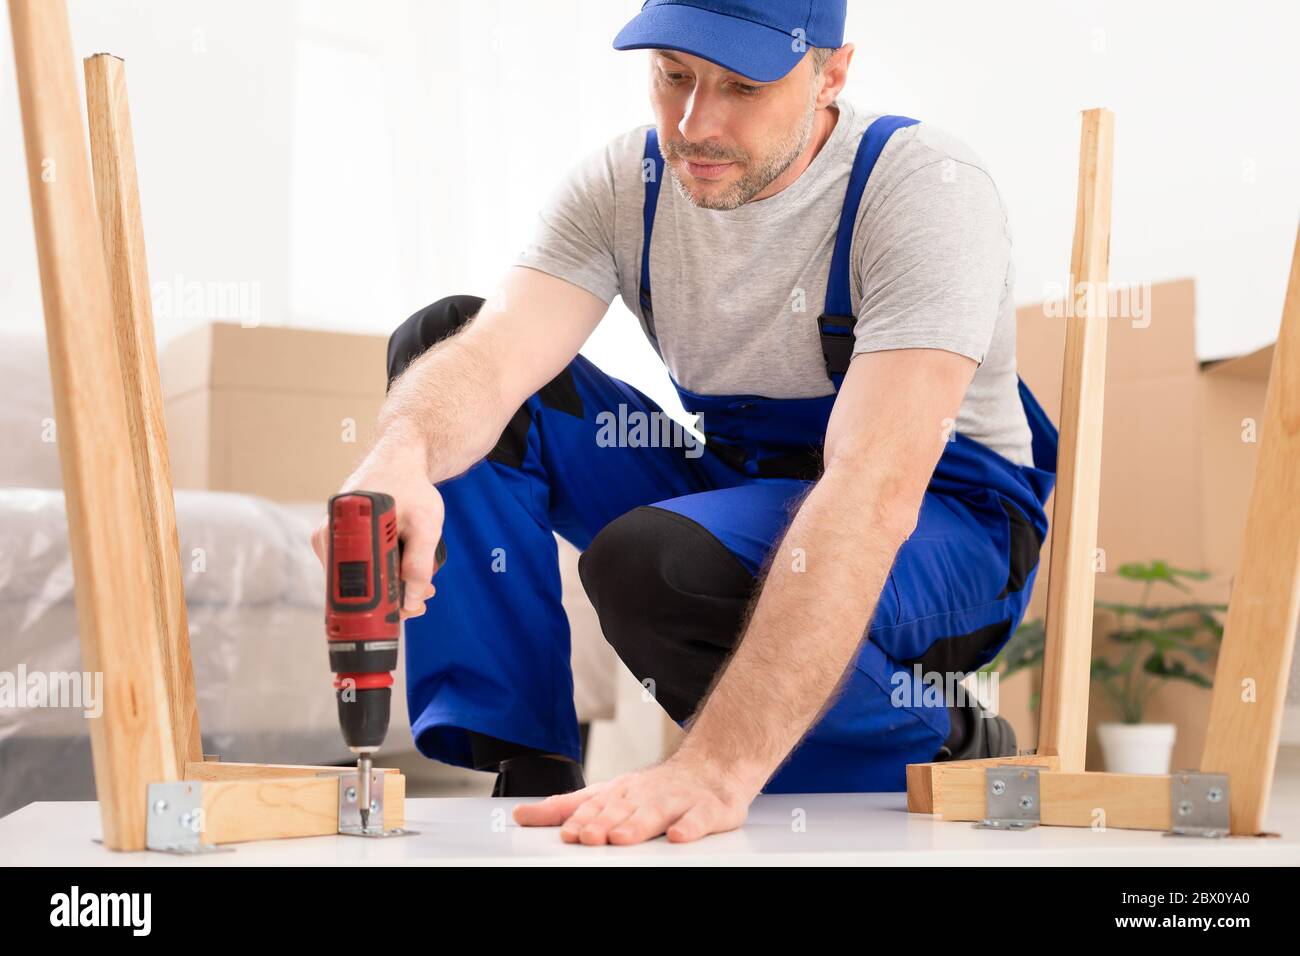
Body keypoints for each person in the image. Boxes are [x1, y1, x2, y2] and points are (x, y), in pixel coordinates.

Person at [312, 0, 1058, 846]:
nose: (696, 122)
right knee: (440, 341)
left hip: (944, 518)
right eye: (673, 76)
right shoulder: (627, 186)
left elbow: (873, 488)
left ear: (831, 74)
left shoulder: (923, 188)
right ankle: (530, 766)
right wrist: (395, 454)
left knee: (656, 571)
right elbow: (491, 360)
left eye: (742, 85)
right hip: (750, 486)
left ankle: (943, 745)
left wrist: (715, 766)